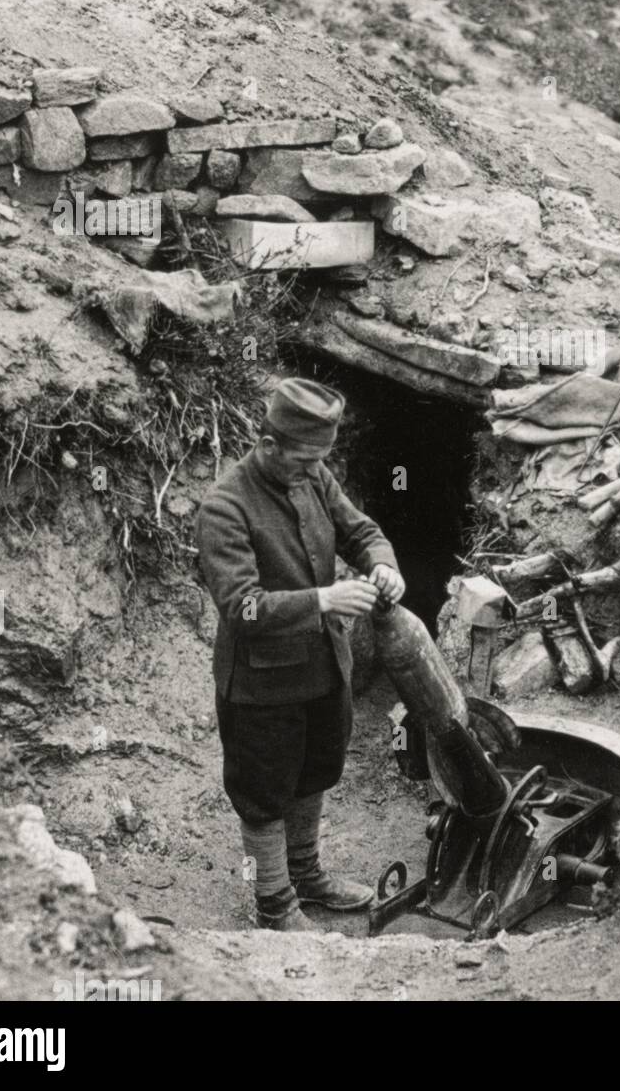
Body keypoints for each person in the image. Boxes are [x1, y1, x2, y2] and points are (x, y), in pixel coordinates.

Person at [196, 377, 413, 931]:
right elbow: (242, 609)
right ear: (270, 447)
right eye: (303, 459)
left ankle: (307, 874)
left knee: (314, 770)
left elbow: (361, 531)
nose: (314, 469)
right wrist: (323, 599)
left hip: (321, 670)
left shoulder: (312, 475)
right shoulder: (225, 507)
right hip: (260, 687)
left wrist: (382, 563)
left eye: (321, 458)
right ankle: (274, 902)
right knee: (264, 791)